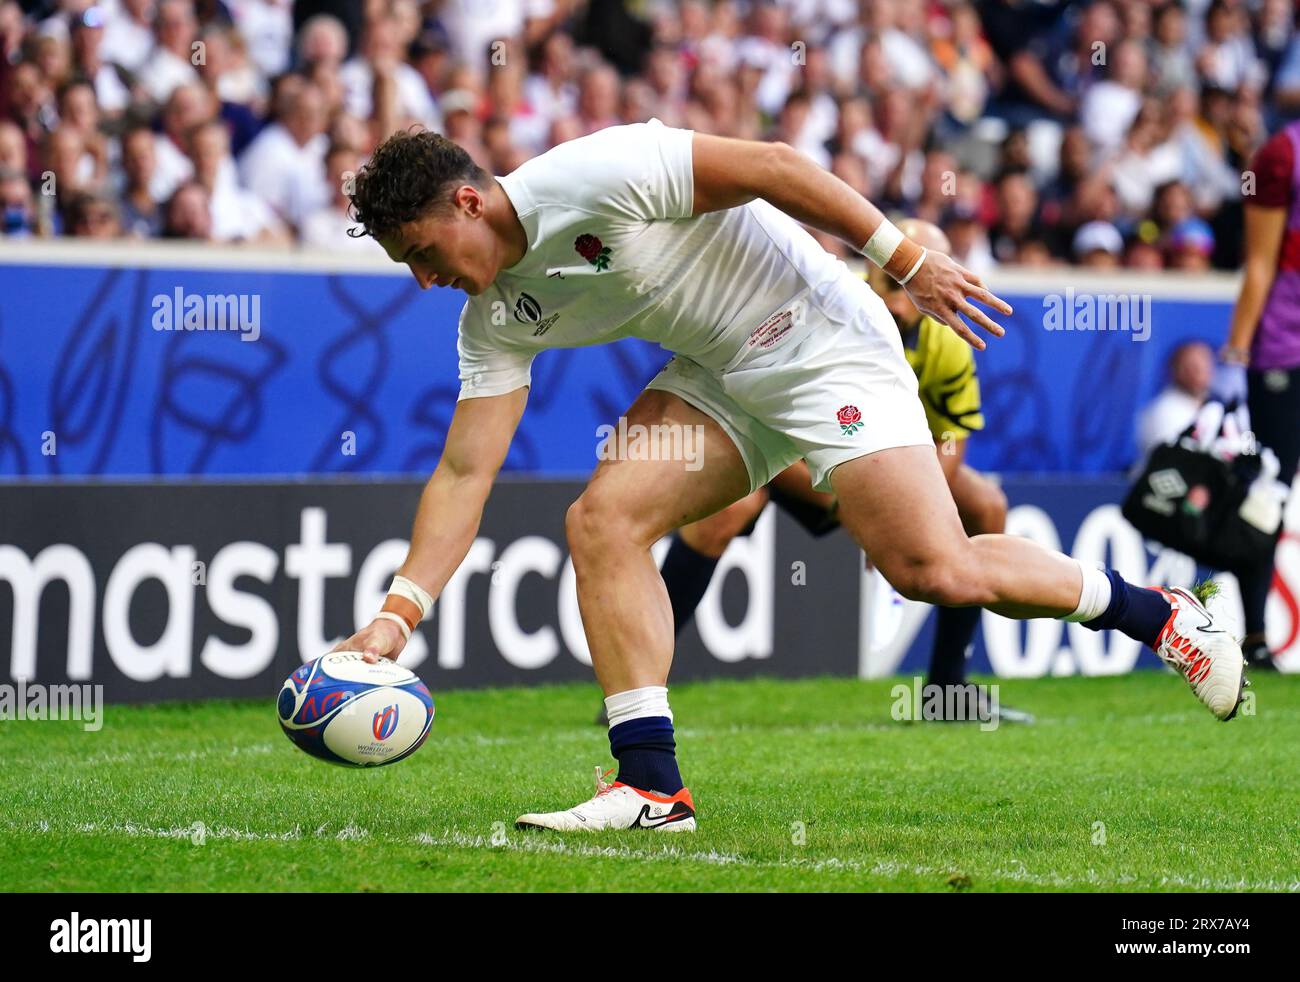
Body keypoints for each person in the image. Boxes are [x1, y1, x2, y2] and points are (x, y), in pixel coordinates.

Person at [337, 121, 1247, 833]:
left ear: (467, 202)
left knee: (932, 570)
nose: (423, 281)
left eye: (420, 254)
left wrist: (906, 259)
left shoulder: (596, 173)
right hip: (719, 375)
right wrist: (395, 615)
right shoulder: (492, 318)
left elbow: (773, 164)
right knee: (602, 522)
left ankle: (1168, 616)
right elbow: (464, 471)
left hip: (818, 338)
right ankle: (651, 785)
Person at [591, 219, 1030, 727]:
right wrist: (849, 494)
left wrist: (904, 507)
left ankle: (946, 692)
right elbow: (764, 415)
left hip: (874, 465)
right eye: (895, 281)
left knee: (985, 504)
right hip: (785, 456)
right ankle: (638, 685)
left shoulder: (946, 341)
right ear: (874, 272)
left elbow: (950, 439)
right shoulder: (830, 306)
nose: (903, 297)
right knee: (724, 512)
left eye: (914, 284)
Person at [1221, 119, 1300, 671]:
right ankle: (1252, 634)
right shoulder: (1280, 156)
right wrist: (1237, 355)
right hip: (1284, 347)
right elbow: (1260, 264)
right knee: (1268, 493)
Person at [1136, 340, 1214, 460]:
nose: (1198, 371)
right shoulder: (1164, 411)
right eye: (1191, 366)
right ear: (1176, 370)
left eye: (1204, 363)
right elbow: (1172, 463)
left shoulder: (1218, 407)